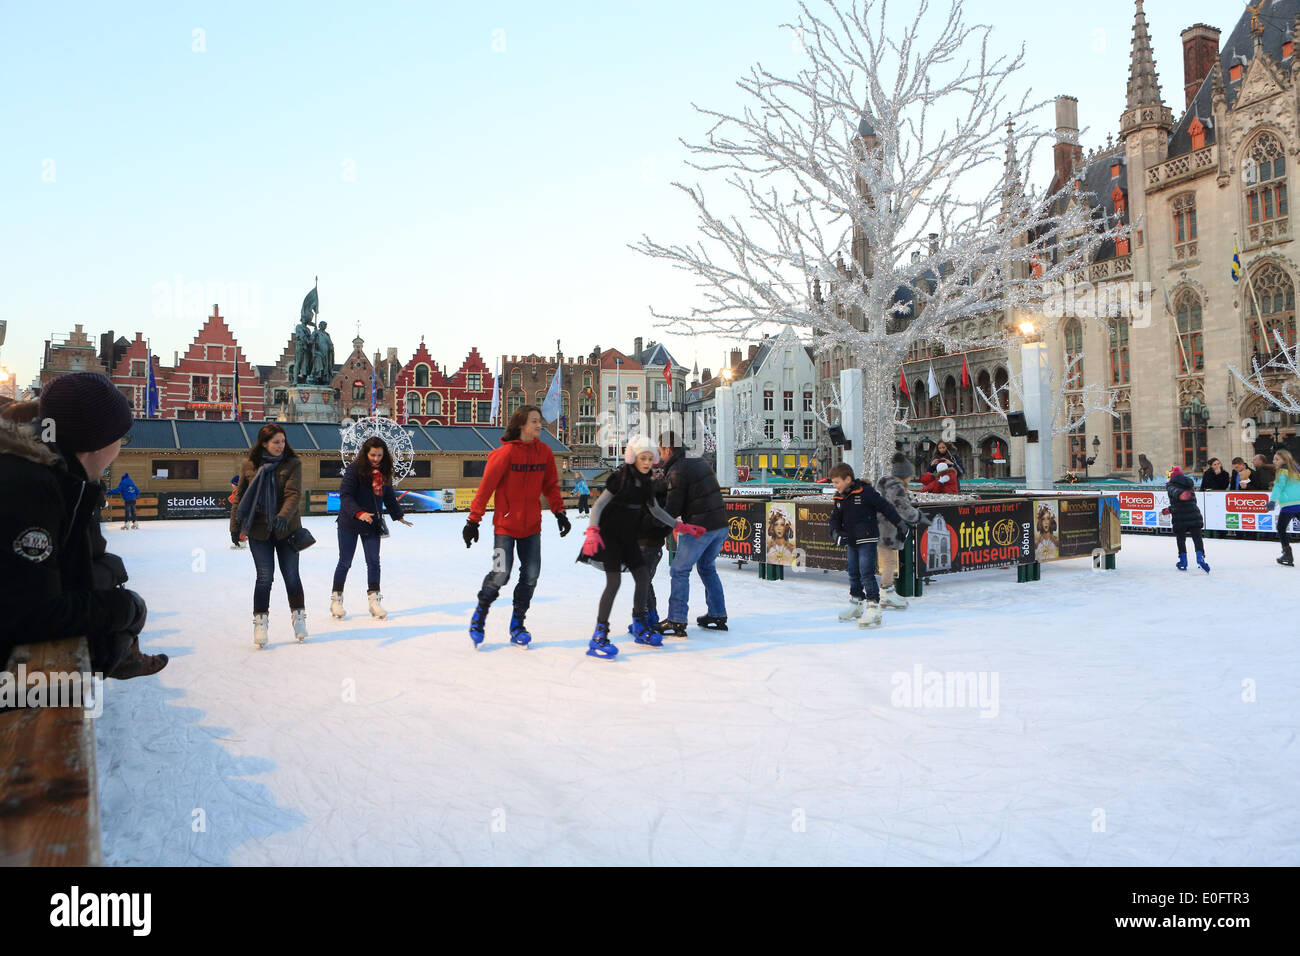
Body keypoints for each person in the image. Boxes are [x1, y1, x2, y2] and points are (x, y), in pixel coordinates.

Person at [0, 375, 167, 679]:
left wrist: (103, 572)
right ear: (96, 443)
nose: (120, 448)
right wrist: (127, 607)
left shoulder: (53, 474)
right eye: (121, 438)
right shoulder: (32, 486)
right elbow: (30, 612)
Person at [579, 436, 703, 658]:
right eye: (642, 458)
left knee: (643, 579)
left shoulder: (646, 483)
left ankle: (640, 625)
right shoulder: (620, 478)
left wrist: (680, 526)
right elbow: (598, 506)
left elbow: (655, 510)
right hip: (609, 536)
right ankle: (599, 636)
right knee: (613, 583)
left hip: (629, 538)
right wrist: (592, 532)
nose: (646, 463)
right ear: (632, 457)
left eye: (649, 458)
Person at [463, 405, 572, 649]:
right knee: (500, 573)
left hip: (532, 528)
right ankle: (479, 616)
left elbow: (551, 486)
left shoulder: (544, 453)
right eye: (534, 421)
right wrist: (473, 521)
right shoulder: (503, 455)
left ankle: (517, 624)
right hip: (504, 528)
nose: (538, 425)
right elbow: (485, 489)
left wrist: (560, 513)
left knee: (531, 576)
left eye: (539, 421)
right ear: (521, 424)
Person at [231, 423, 307, 647]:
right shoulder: (250, 465)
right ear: (264, 443)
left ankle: (299, 618)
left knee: (291, 576)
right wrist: (235, 526)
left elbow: (293, 494)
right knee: (264, 578)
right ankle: (260, 624)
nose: (280, 446)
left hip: (287, 529)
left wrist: (283, 516)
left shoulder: (293, 463)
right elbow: (240, 497)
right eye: (275, 442)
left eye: (282, 441)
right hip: (259, 530)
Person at [330, 437, 413, 621]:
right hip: (350, 522)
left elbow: (388, 495)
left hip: (372, 523)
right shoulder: (354, 470)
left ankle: (374, 601)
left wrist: (398, 515)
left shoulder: (384, 472)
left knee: (374, 562)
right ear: (365, 454)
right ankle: (336, 600)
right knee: (345, 562)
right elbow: (346, 495)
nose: (376, 458)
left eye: (379, 455)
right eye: (373, 455)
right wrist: (359, 513)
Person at [656, 431, 729, 636]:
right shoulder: (697, 460)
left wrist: (655, 525)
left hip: (699, 527)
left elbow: (673, 508)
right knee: (707, 568)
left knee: (679, 570)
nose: (661, 456)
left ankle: (676, 619)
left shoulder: (677, 470)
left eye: (661, 451)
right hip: (720, 525)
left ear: (668, 449)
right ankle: (717, 613)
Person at [828, 463, 905, 628]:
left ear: (848, 479)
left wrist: (900, 524)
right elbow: (834, 519)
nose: (834, 486)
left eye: (836, 482)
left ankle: (873, 607)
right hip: (851, 540)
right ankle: (856, 604)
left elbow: (885, 507)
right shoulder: (839, 498)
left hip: (867, 539)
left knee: (866, 573)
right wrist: (835, 533)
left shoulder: (866, 492)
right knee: (853, 573)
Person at [875, 453, 928, 609]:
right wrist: (918, 516)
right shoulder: (896, 488)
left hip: (882, 527)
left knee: (888, 561)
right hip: (886, 529)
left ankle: (888, 592)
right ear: (904, 475)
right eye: (910, 476)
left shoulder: (887, 486)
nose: (911, 479)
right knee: (889, 561)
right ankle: (886, 593)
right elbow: (904, 509)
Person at [1162, 466, 1209, 572]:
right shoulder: (1189, 486)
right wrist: (1172, 507)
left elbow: (1175, 492)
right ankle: (1200, 557)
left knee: (1180, 539)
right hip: (1194, 514)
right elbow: (1192, 501)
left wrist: (1177, 500)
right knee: (1197, 538)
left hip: (1180, 517)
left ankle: (1183, 561)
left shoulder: (1171, 486)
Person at [1267, 449, 1300, 567]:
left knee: (1281, 528)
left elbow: (1279, 486)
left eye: (1277, 459)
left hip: (1289, 505)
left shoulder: (1282, 471)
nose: (1274, 461)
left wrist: (1272, 501)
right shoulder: (1296, 469)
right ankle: (1287, 554)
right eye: (1274, 459)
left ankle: (1287, 554)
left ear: (1285, 460)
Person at [228, 475, 245, 549]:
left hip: (237, 514)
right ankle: (239, 541)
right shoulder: (237, 491)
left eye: (233, 484)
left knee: (237, 528)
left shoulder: (239, 492)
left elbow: (233, 500)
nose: (232, 485)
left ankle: (239, 542)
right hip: (236, 514)